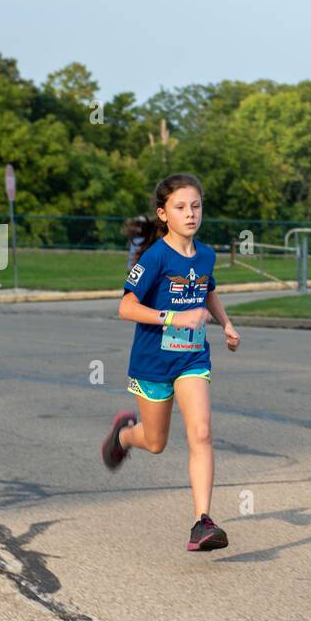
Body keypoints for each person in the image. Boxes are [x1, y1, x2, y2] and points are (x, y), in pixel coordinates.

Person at [100, 174, 242, 552]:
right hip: (152, 363)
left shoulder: (207, 255)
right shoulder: (156, 257)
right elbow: (126, 307)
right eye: (181, 207)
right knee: (156, 441)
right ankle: (124, 435)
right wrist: (173, 318)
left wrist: (226, 324)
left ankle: (203, 521)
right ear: (164, 214)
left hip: (192, 358)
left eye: (196, 206)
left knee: (201, 433)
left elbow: (207, 291)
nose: (191, 213)